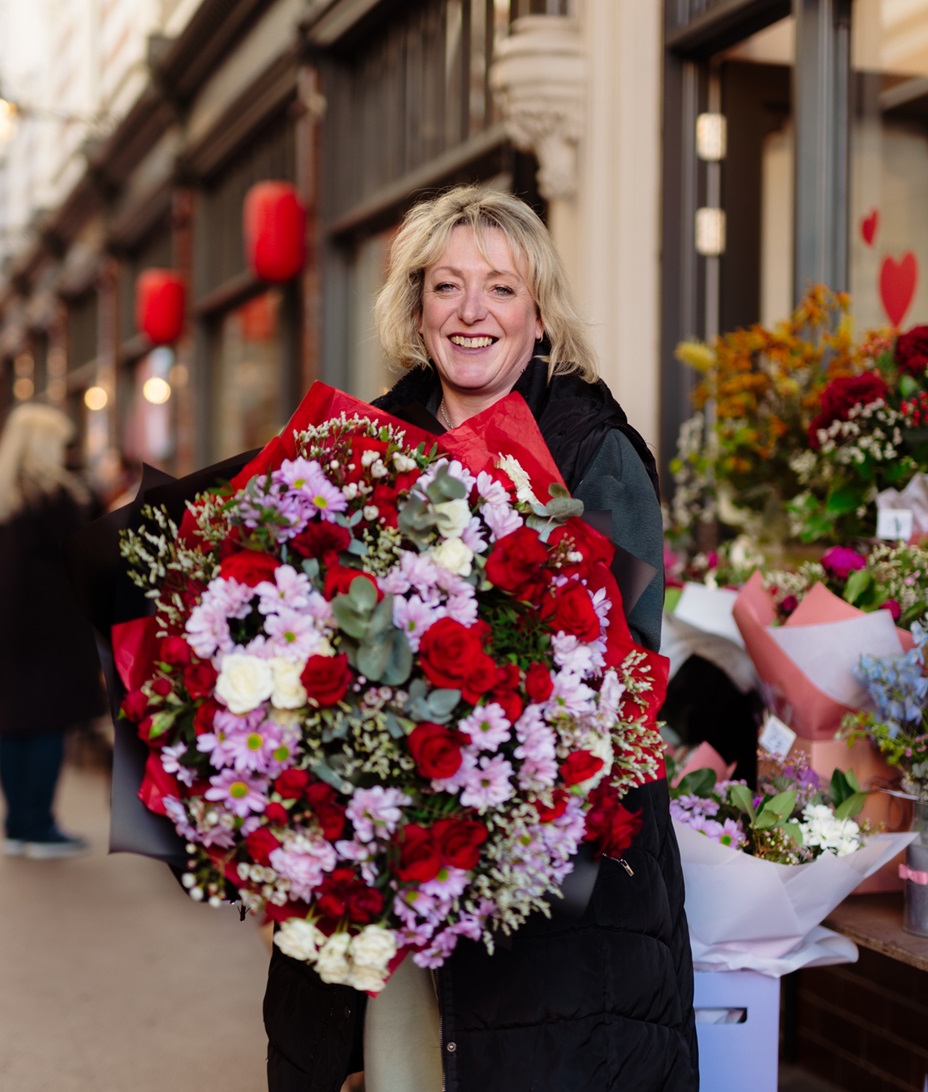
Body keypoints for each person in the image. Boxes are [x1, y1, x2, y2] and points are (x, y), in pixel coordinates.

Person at [262, 186, 697, 1091]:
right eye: (448, 286)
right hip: (383, 855)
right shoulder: (359, 445)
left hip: (554, 895)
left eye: (501, 288)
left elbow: (620, 672)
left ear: (539, 314)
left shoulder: (595, 451)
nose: (472, 312)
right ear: (416, 310)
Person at [0, 404, 106, 859]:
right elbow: (86, 556)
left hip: (5, 627)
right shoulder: (54, 498)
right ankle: (40, 826)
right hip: (52, 628)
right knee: (49, 723)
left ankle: (15, 824)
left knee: (12, 724)